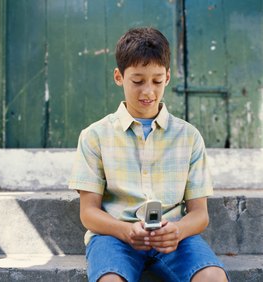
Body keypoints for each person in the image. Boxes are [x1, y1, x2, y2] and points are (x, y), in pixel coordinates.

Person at [68, 27, 229, 282]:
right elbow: (88, 213)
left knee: (213, 277)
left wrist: (176, 230)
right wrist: (125, 230)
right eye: (138, 81)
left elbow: (200, 215)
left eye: (156, 81)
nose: (148, 92)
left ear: (167, 77)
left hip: (175, 239)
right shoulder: (94, 136)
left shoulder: (188, 137)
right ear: (119, 77)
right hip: (114, 238)